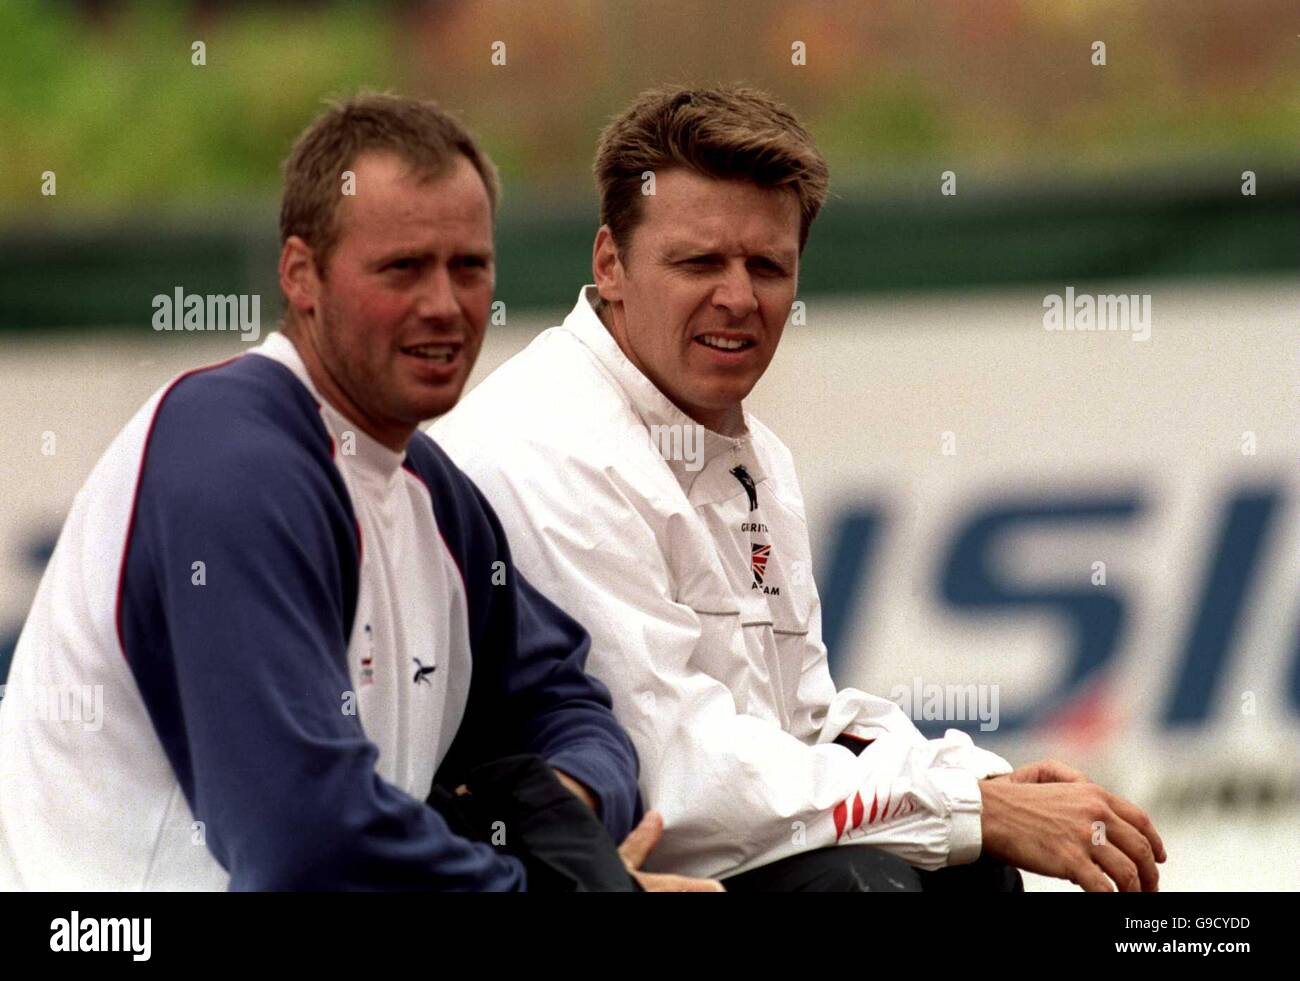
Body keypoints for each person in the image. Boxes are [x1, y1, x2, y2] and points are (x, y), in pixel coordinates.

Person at [431, 84, 1167, 892]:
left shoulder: (749, 452)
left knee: (968, 866)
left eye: (767, 266)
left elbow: (803, 725)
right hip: (554, 868)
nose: (739, 298)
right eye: (699, 261)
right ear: (610, 262)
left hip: (680, 841)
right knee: (867, 883)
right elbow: (679, 787)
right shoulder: (550, 445)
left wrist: (986, 787)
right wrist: (968, 807)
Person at [0, 93, 715, 892]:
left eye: (469, 267)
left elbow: (566, 705)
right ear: (301, 275)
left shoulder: (428, 488)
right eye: (402, 268)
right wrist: (550, 885)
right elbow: (305, 849)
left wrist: (561, 819)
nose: (444, 305)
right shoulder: (232, 466)